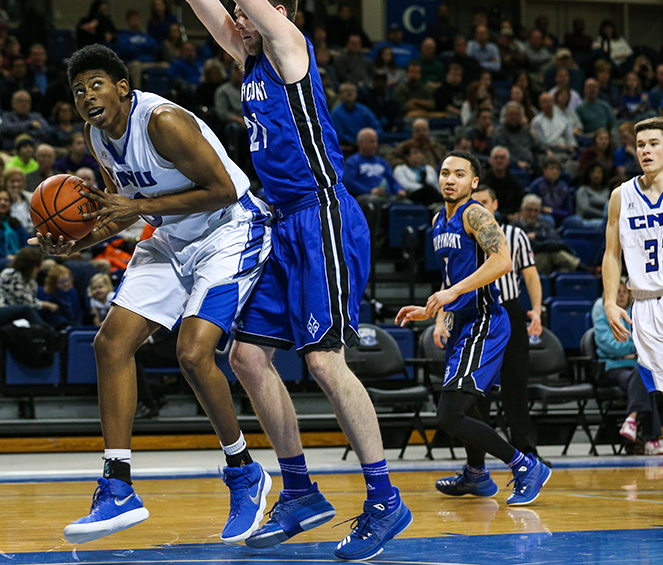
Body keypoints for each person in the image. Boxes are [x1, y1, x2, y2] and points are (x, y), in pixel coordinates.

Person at [187, 0, 410, 558]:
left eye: (246, 10)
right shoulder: (247, 58)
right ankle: (301, 491)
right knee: (245, 357)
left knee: (323, 360)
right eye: (234, 13)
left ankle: (385, 498)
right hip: (278, 224)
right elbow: (205, 10)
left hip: (321, 216)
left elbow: (257, 11)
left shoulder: (289, 48)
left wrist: (253, 10)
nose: (237, 19)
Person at [33, 44, 275, 547]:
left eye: (95, 84)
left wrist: (140, 205)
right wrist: (74, 243)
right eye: (77, 90)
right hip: (170, 235)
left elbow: (224, 190)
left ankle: (244, 471)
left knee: (192, 352)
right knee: (110, 345)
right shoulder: (96, 135)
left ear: (122, 87)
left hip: (229, 230)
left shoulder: (163, 121)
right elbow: (118, 211)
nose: (85, 96)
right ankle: (117, 485)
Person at [397, 150, 551, 505]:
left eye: (459, 174)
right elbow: (452, 276)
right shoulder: (438, 220)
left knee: (449, 413)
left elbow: (503, 261)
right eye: (445, 173)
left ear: (474, 182)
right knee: (468, 406)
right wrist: (433, 310)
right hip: (461, 321)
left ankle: (526, 465)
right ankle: (477, 475)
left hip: (486, 321)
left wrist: (452, 292)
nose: (450, 179)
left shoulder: (475, 213)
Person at [470, 185, 546, 461]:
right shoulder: (466, 236)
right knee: (478, 389)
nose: (479, 207)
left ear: (495, 204)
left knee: (516, 385)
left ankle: (527, 453)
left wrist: (536, 309)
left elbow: (531, 275)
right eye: (474, 203)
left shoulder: (514, 234)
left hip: (510, 310)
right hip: (477, 313)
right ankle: (477, 460)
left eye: (484, 202)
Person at [603, 117, 663, 414]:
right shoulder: (621, 196)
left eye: (653, 144)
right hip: (645, 305)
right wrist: (609, 301)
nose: (645, 150)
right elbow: (611, 254)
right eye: (640, 145)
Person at [593, 278, 663, 455]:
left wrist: (632, 349)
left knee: (643, 373)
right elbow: (607, 345)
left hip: (634, 367)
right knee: (644, 375)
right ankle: (651, 439)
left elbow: (648, 341)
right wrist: (634, 347)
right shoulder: (603, 312)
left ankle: (632, 420)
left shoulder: (635, 311)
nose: (621, 295)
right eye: (617, 292)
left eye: (624, 292)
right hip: (611, 368)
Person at [0, 246, 53, 328]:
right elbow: (26, 301)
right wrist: (46, 305)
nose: (40, 268)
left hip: (12, 315)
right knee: (26, 309)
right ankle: (50, 333)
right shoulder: (10, 274)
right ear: (30, 265)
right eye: (38, 265)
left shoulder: (31, 281)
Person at [513, 194, 584, 274]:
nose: (532, 214)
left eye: (536, 211)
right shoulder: (515, 227)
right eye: (529, 210)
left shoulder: (545, 224)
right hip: (527, 263)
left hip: (547, 260)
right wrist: (543, 241)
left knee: (563, 268)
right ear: (521, 210)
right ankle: (583, 268)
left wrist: (537, 236)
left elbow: (556, 239)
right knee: (555, 255)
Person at [330, 82, 381, 149]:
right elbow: (340, 135)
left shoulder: (364, 110)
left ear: (356, 93)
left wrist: (370, 139)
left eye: (352, 90)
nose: (349, 93)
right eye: (346, 91)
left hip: (369, 144)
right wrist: (359, 142)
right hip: (349, 147)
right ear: (340, 95)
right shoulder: (336, 113)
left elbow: (377, 128)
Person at [527, 156, 573, 227]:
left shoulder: (564, 187)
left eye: (557, 169)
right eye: (551, 169)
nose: (554, 172)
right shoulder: (536, 185)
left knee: (576, 220)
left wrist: (552, 211)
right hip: (543, 217)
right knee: (549, 220)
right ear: (544, 170)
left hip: (561, 217)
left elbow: (569, 211)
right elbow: (534, 209)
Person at [37, 263, 81, 329]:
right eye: (61, 282)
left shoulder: (73, 291)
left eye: (67, 280)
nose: (66, 284)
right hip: (56, 325)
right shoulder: (48, 294)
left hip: (73, 324)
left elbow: (76, 312)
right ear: (53, 283)